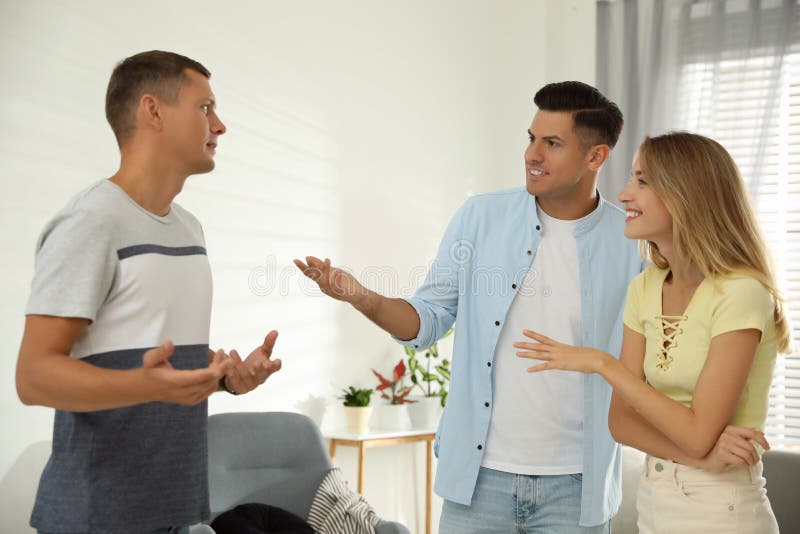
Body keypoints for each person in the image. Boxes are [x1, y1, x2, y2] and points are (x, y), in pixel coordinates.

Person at [295, 81, 642, 532]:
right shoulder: (480, 219)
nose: (532, 154)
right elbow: (427, 320)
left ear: (596, 157)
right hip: (479, 484)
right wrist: (363, 296)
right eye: (531, 138)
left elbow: (651, 362)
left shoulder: (631, 244)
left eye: (552, 143)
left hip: (577, 485)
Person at [15, 50, 283, 534]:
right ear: (153, 111)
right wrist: (145, 385)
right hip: (94, 518)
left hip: (176, 513)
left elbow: (160, 370)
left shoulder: (190, 230)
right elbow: (33, 377)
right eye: (205, 108)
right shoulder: (90, 223)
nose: (219, 126)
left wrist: (221, 379)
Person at [516, 132, 788, 533]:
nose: (625, 195)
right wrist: (701, 457)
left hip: (723, 509)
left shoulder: (741, 293)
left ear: (687, 194)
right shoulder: (645, 287)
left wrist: (604, 364)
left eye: (642, 181)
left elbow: (698, 434)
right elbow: (621, 423)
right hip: (656, 500)